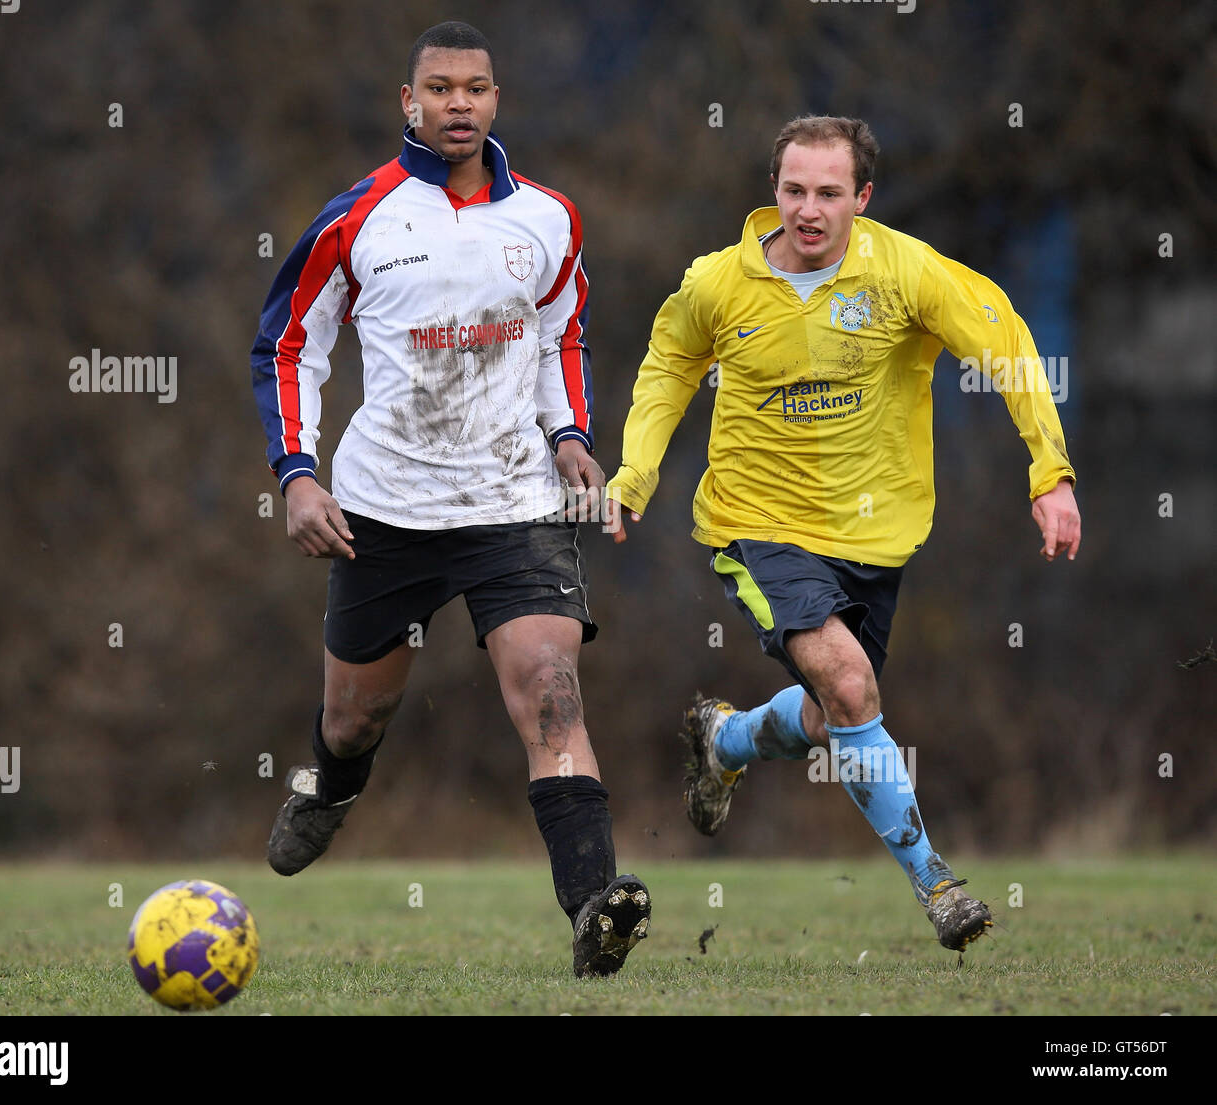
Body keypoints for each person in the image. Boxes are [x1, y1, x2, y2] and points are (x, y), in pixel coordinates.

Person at [605, 115, 1080, 952]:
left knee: (838, 717)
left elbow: (1004, 341)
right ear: (774, 191)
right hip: (756, 527)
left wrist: (1051, 472)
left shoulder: (904, 270)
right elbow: (669, 365)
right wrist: (634, 473)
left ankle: (727, 738)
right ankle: (937, 884)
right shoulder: (719, 284)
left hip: (874, 536)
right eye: (794, 190)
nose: (809, 209)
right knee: (854, 690)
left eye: (830, 192)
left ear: (862, 196)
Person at [249, 21, 649, 977]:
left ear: (496, 101)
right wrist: (297, 475)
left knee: (550, 696)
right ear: (409, 102)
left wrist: (571, 438)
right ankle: (330, 787)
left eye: (475, 87)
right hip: (382, 506)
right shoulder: (358, 216)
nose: (457, 104)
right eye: (439, 88)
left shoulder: (550, 218)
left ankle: (597, 905)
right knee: (354, 717)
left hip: (513, 498)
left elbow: (563, 336)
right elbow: (291, 345)